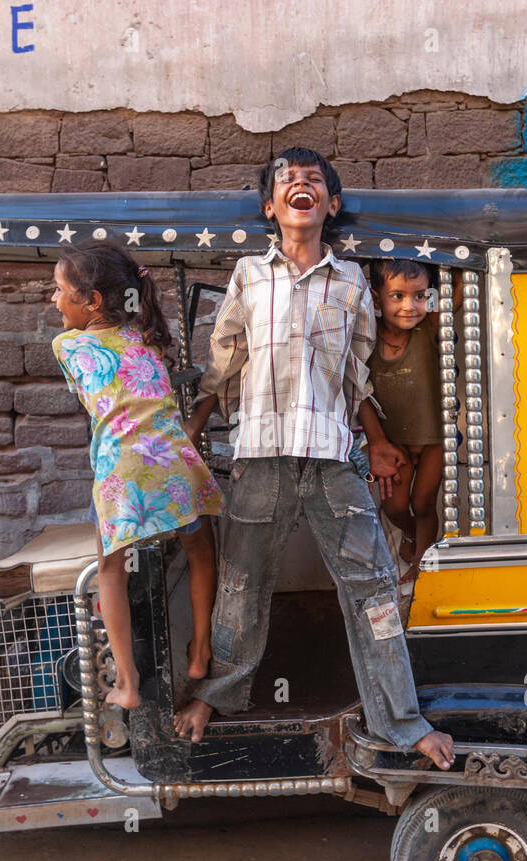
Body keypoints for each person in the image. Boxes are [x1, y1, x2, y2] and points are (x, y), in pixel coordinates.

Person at [174, 147, 455, 770]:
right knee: (242, 588)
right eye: (286, 181)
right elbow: (224, 359)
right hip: (261, 459)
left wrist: (374, 438)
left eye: (314, 181)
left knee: (376, 587)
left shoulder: (352, 281)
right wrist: (193, 424)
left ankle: (402, 720)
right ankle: (217, 697)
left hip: (332, 460)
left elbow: (355, 376)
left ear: (329, 204)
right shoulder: (250, 275)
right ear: (269, 207)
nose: (300, 186)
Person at [51, 240, 223, 708]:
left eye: (61, 291)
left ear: (92, 301)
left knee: (111, 570)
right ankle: (200, 649)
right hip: (174, 463)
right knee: (201, 551)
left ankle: (126, 683)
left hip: (122, 473)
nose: (54, 300)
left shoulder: (67, 344)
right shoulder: (146, 336)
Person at [367, 260, 444, 585]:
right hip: (393, 443)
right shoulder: (366, 337)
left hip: (433, 441)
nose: (410, 306)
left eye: (420, 296)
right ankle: (411, 534)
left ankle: (424, 563)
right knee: (395, 508)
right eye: (397, 296)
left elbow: (455, 291)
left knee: (423, 502)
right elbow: (357, 391)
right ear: (376, 298)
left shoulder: (429, 328)